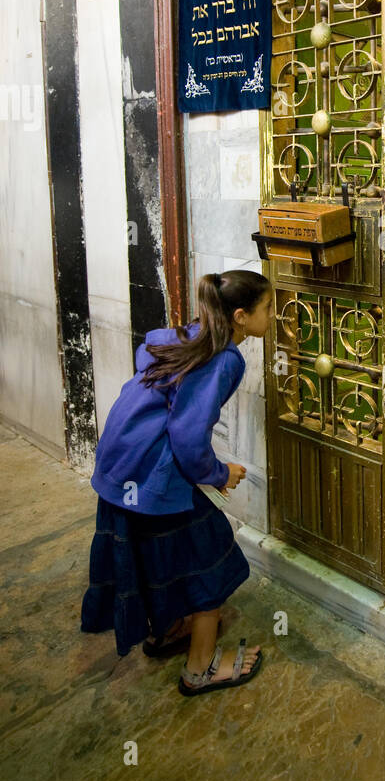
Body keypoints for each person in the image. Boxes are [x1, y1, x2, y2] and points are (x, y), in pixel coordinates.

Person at [81, 270, 274, 695]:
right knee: (211, 561)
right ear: (241, 317)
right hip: (152, 476)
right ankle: (201, 669)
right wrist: (219, 473)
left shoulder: (187, 336)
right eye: (268, 309)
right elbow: (188, 437)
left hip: (120, 468)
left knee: (155, 554)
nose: (274, 317)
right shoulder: (225, 358)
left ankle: (167, 630)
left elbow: (145, 354)